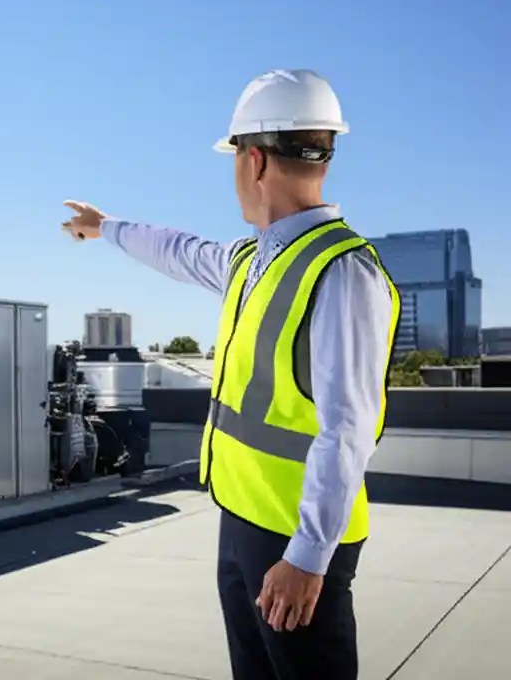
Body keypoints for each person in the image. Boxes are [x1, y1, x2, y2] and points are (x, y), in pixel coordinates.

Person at [62, 69, 400, 680]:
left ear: (254, 161)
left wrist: (308, 558)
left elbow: (349, 429)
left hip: (295, 540)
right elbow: (176, 249)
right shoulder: (252, 261)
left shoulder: (343, 273)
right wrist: (105, 227)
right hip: (242, 517)